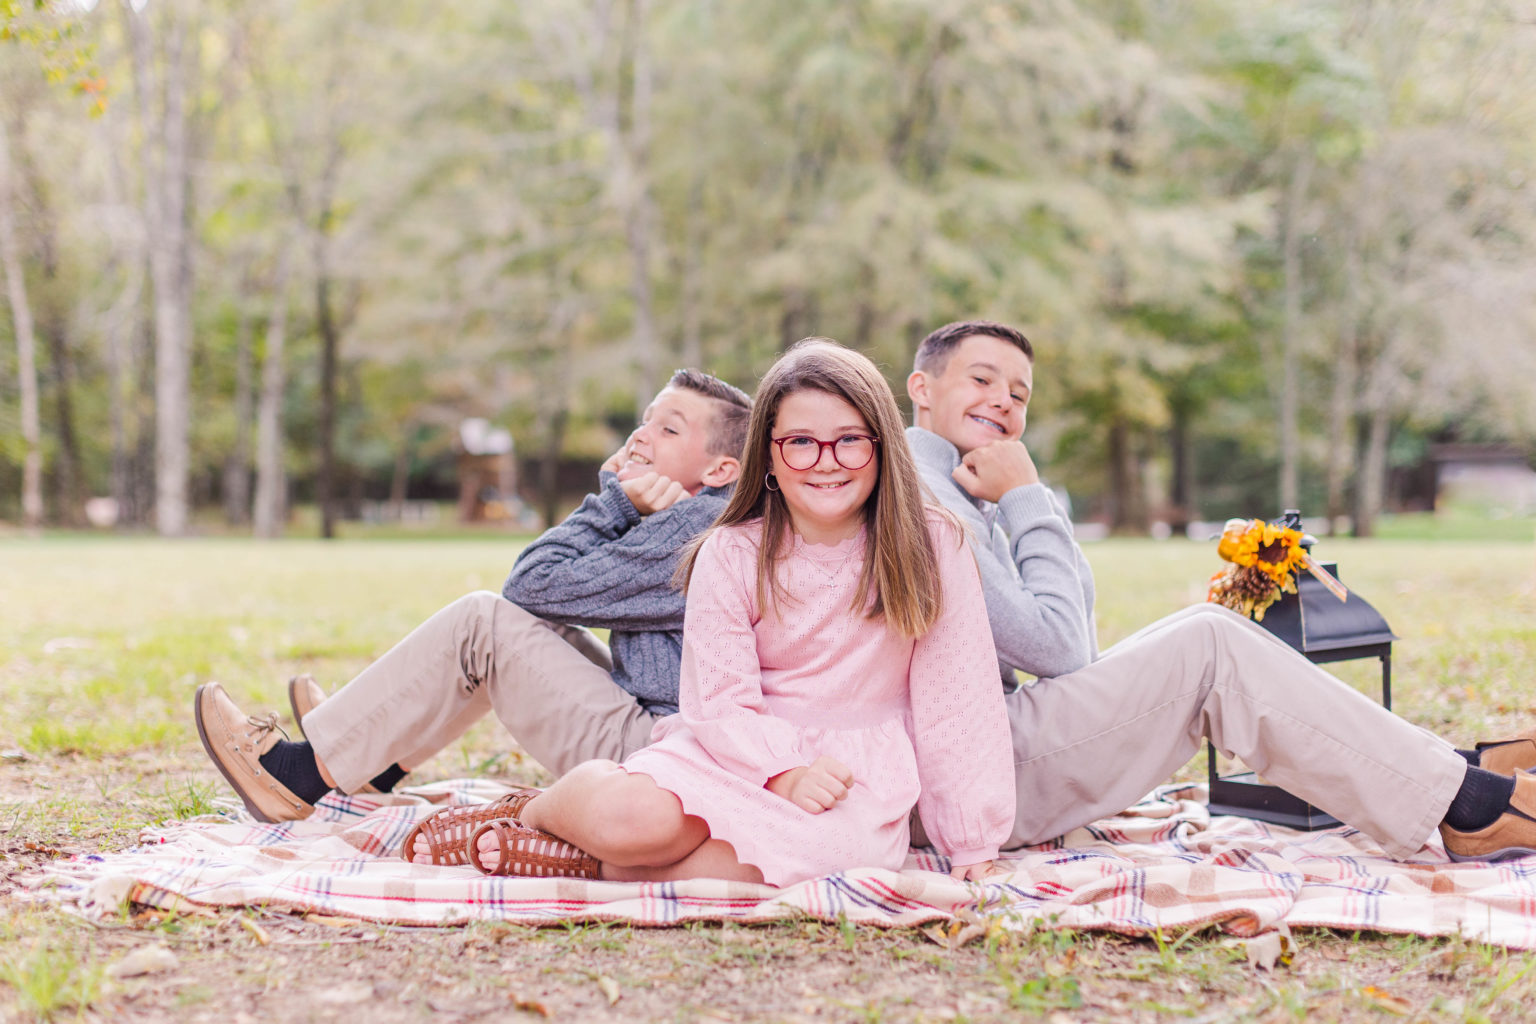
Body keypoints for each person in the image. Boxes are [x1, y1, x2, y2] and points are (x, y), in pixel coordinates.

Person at [905, 319, 1536, 863]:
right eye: (981, 380)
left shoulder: (957, 491)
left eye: (1020, 393)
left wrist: (1020, 500)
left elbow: (1075, 642)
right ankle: (1470, 804)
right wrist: (1027, 498)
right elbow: (1064, 653)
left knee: (1208, 633)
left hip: (974, 752)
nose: (1005, 403)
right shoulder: (930, 504)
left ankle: (1454, 777)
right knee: (1210, 644)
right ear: (922, 390)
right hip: (962, 779)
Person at [408, 339, 1015, 885]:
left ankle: (584, 863)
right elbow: (720, 695)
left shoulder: (933, 544)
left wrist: (972, 842)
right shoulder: (732, 549)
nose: (826, 459)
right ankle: (532, 812)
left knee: (819, 852)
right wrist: (780, 772)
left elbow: (958, 701)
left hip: (855, 763)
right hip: (737, 741)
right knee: (635, 820)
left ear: (883, 446)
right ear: (769, 457)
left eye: (850, 440)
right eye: (800, 441)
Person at [194, 368, 751, 828]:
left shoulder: (693, 536)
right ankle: (372, 758)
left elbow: (532, 582)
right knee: (524, 627)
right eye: (645, 421)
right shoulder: (704, 516)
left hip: (661, 764)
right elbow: (539, 603)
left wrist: (613, 503)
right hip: (676, 740)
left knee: (484, 623)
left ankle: (298, 776)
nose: (640, 437)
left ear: (720, 469)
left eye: (669, 430)